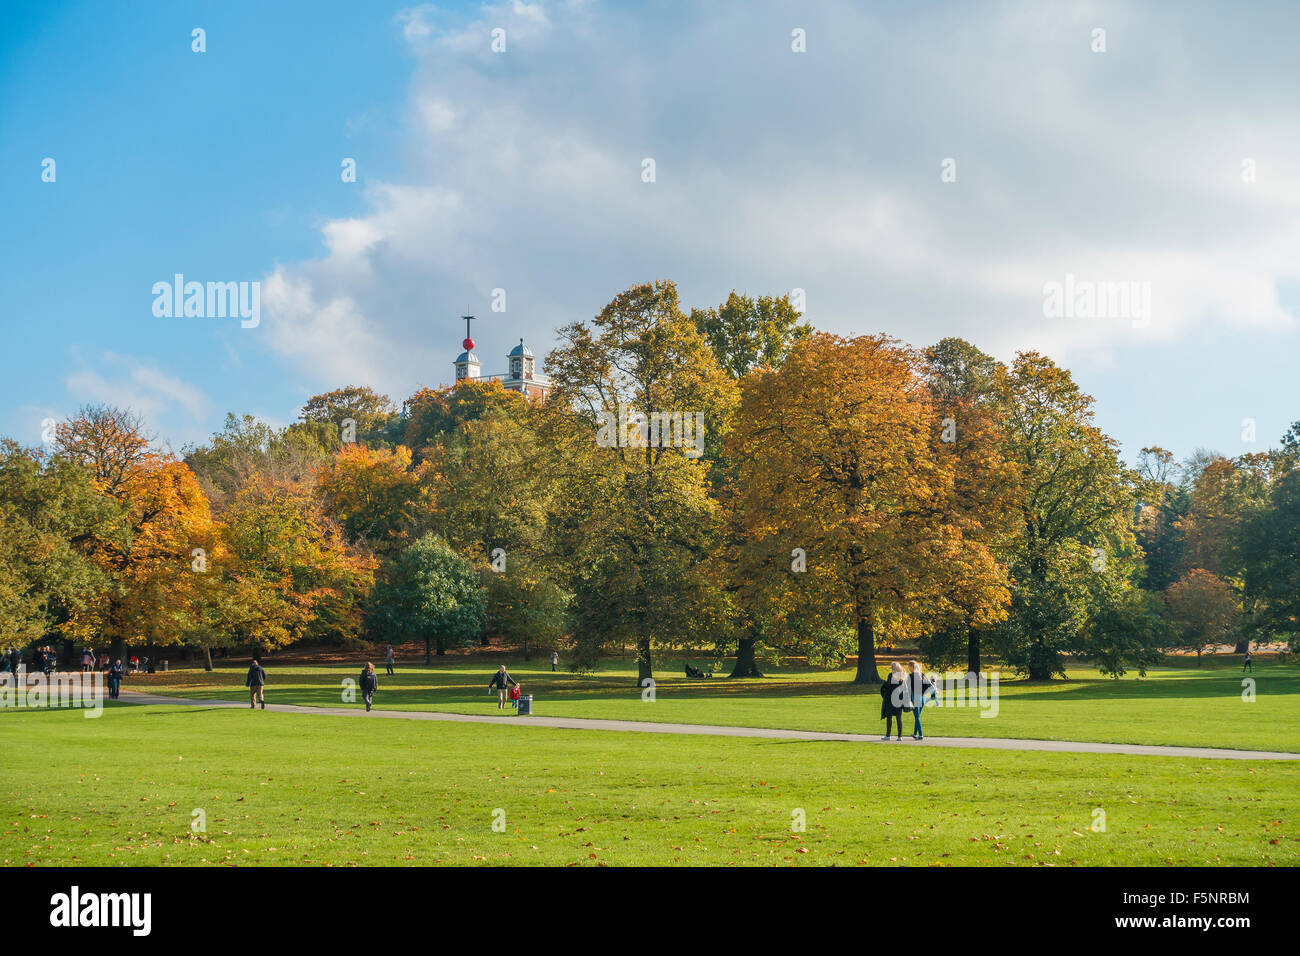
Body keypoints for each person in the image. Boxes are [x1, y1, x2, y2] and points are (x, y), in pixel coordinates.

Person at [906, 660, 936, 740]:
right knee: (917, 717)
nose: (908, 668)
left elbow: (908, 690)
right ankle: (915, 734)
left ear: (912, 667)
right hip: (923, 698)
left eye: (909, 667)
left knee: (917, 717)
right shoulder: (922, 675)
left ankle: (921, 735)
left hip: (915, 698)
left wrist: (910, 700)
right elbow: (930, 686)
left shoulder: (910, 676)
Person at [879, 662, 908, 741]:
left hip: (896, 701)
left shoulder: (898, 677)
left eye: (892, 668)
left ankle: (899, 736)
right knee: (890, 718)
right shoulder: (893, 676)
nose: (891, 670)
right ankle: (889, 735)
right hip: (891, 701)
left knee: (898, 718)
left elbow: (888, 687)